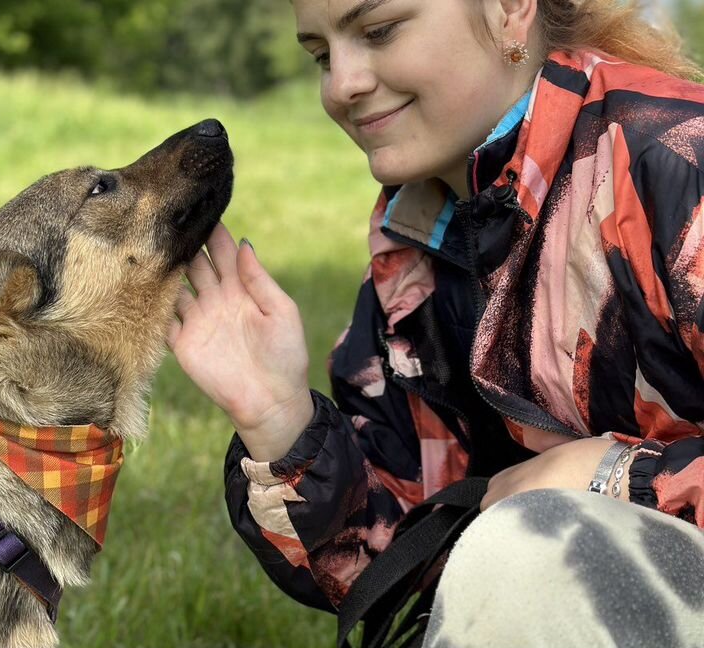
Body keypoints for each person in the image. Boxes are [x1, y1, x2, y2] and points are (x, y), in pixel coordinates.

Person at [167, 0, 704, 645]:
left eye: (379, 31)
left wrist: (616, 480)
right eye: (320, 54)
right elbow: (396, 557)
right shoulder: (418, 239)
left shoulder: (676, 167)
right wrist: (280, 423)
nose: (341, 85)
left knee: (521, 553)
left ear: (510, 10)